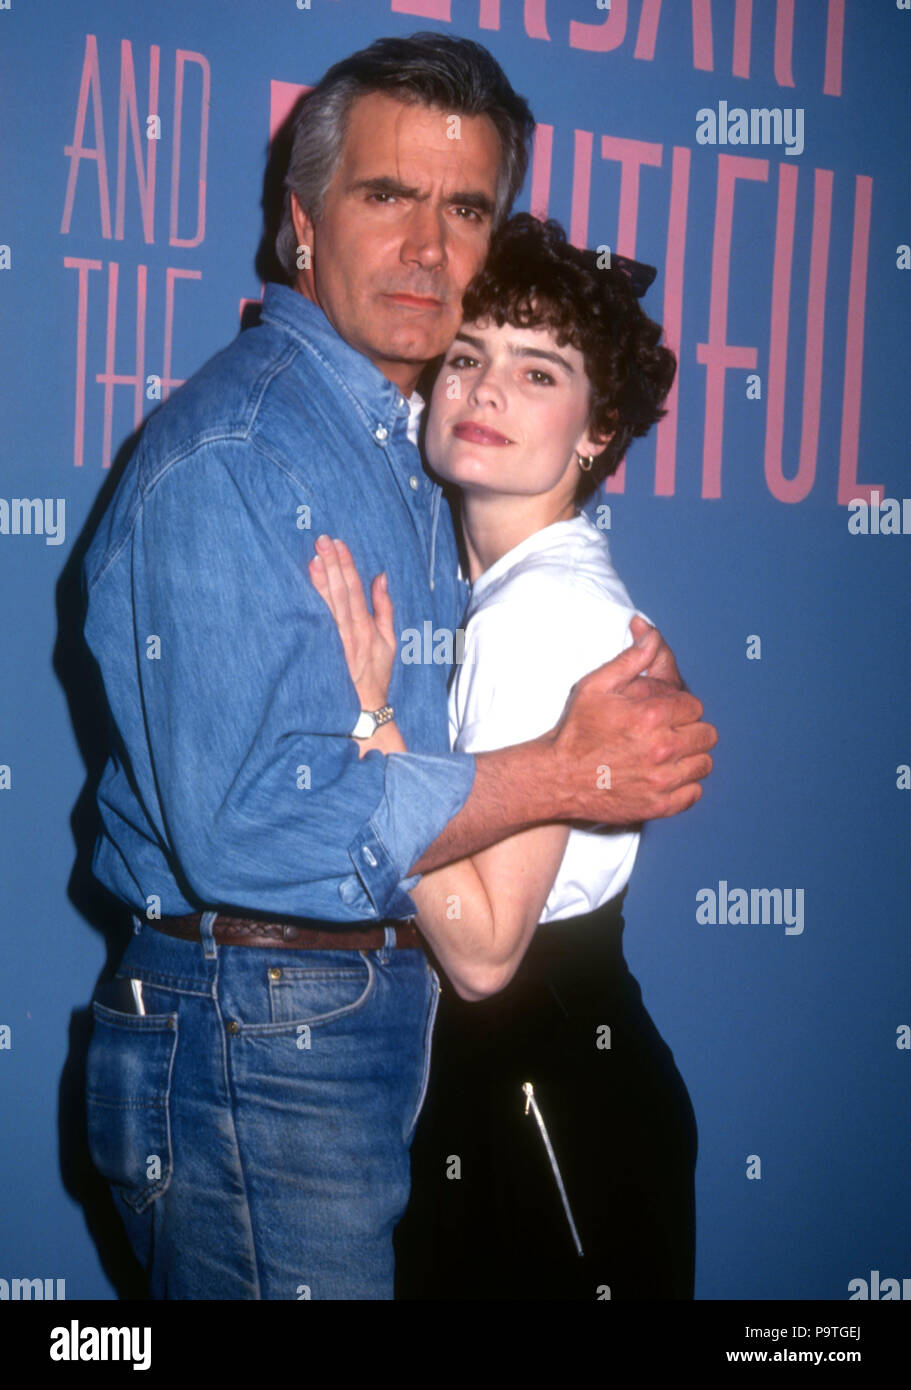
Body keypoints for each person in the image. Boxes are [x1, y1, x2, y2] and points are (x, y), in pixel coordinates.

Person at [81, 34, 715, 1301]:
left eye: (464, 207)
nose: (428, 248)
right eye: (386, 195)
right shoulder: (245, 457)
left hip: (389, 1040)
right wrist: (557, 768)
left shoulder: (416, 451)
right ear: (299, 222)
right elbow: (254, 825)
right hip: (259, 1037)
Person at [309, 213, 698, 1300]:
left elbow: (481, 952)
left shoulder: (543, 611)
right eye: (468, 359)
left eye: (537, 372)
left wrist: (370, 721)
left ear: (594, 431)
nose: (482, 390)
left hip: (541, 1091)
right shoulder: (518, 590)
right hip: (546, 1075)